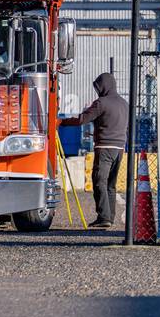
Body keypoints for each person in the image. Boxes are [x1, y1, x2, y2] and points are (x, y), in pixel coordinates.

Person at [60, 72, 128, 229]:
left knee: (99, 181)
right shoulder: (124, 104)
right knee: (111, 184)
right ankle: (109, 217)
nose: (97, 91)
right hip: (119, 148)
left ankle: (103, 217)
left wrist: (62, 121)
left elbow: (82, 119)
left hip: (104, 147)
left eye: (98, 87)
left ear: (103, 86)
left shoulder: (101, 103)